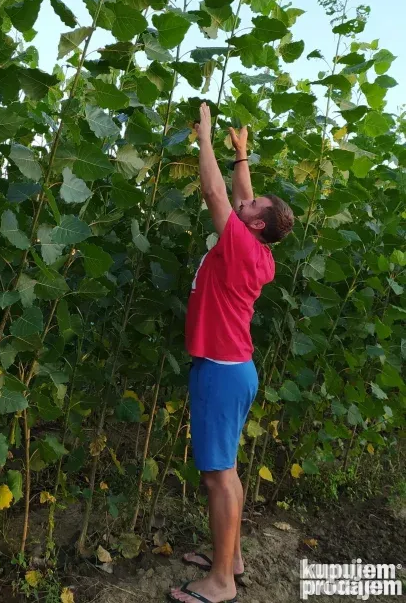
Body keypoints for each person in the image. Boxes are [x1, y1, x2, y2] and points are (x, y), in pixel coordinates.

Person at [169, 103, 294, 603]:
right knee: (228, 472)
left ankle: (221, 583)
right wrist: (241, 154)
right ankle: (232, 557)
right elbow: (242, 199)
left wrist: (206, 136)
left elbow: (214, 192)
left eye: (255, 205)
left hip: (221, 372)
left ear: (256, 226)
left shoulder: (242, 244)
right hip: (234, 369)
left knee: (217, 478)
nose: (246, 203)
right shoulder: (259, 251)